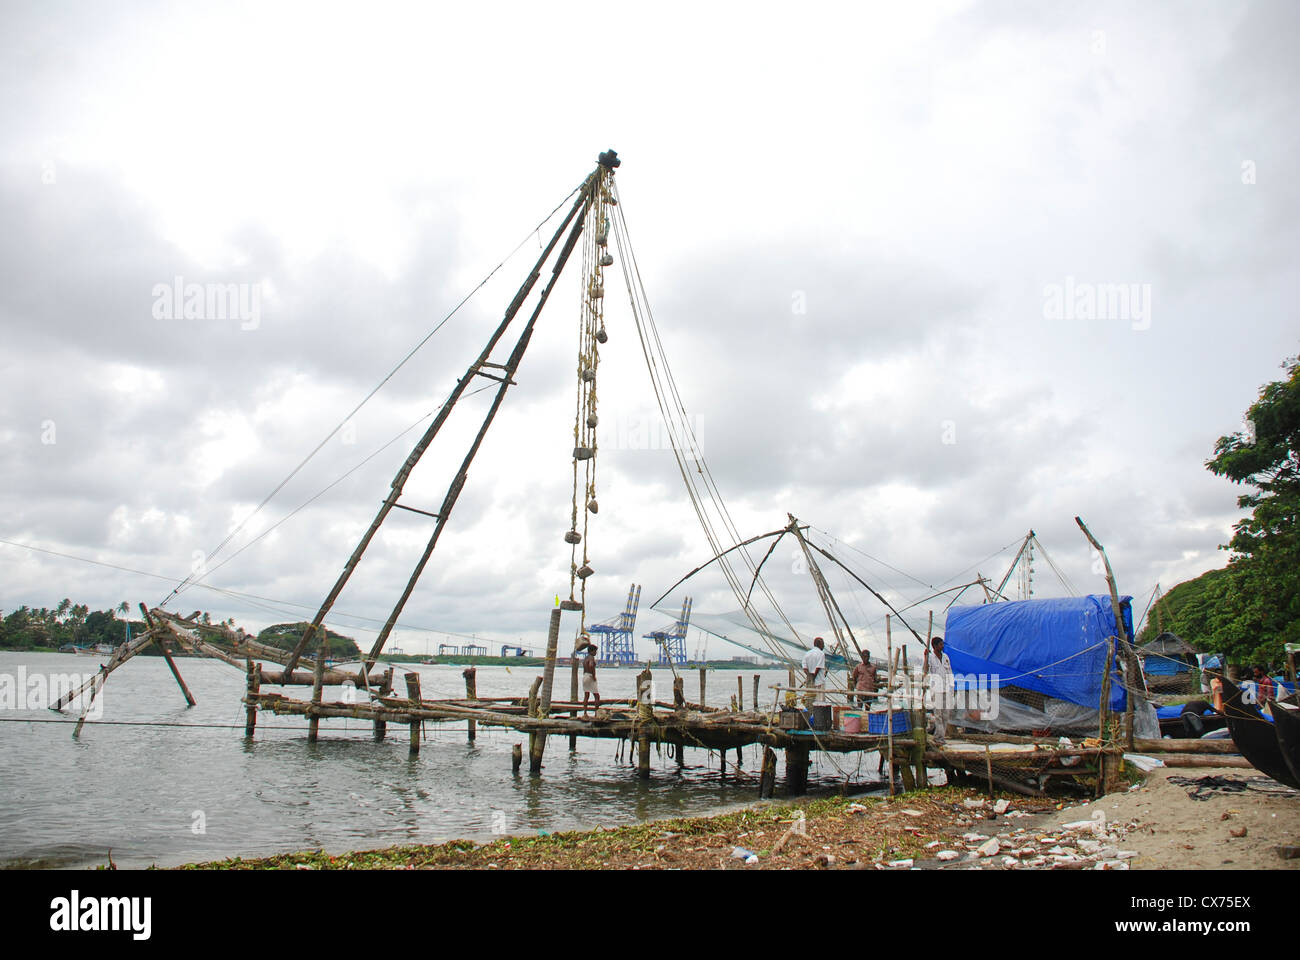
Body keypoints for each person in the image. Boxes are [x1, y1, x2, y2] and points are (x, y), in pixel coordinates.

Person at [926, 636, 954, 744]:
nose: (942, 646)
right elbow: (925, 670)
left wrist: (952, 688)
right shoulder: (930, 658)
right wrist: (925, 658)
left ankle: (941, 735)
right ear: (935, 646)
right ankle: (938, 737)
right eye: (940, 644)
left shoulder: (945, 657)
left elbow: (950, 672)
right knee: (938, 715)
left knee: (946, 714)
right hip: (936, 690)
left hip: (946, 689)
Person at [801, 637, 826, 706]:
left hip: (809, 683)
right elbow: (818, 667)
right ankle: (818, 716)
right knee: (820, 703)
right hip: (819, 682)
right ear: (820, 644)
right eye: (823, 644)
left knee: (810, 702)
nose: (824, 646)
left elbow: (805, 668)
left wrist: (809, 676)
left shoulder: (807, 653)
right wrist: (813, 677)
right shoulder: (821, 654)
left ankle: (811, 715)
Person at [581, 638, 601, 715]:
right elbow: (591, 665)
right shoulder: (591, 657)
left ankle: (585, 713)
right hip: (590, 676)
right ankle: (596, 713)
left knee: (586, 695)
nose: (596, 652)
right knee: (596, 696)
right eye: (595, 651)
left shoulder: (585, 658)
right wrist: (594, 676)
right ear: (592, 651)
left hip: (585, 676)